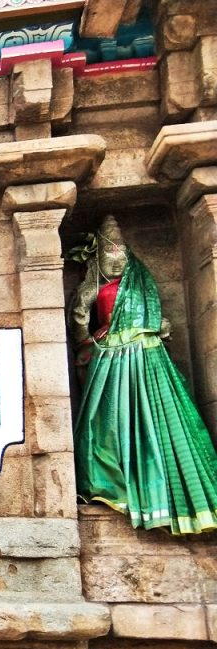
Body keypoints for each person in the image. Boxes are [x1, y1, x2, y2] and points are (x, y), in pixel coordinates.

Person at [71, 216, 217, 534]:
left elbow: (85, 315)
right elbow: (81, 312)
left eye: (120, 257)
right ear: (98, 259)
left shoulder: (134, 284)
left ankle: (166, 494)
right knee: (116, 422)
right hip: (121, 355)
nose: (117, 263)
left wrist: (87, 338)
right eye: (111, 258)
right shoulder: (107, 287)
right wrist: (87, 339)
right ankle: (123, 487)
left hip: (138, 357)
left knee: (150, 421)